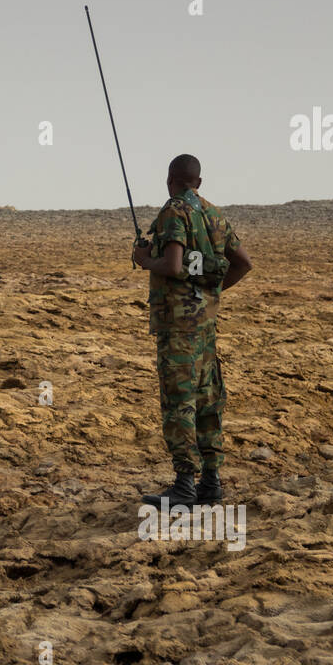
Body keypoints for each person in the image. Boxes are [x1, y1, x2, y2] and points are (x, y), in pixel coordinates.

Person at [132, 154, 252, 506]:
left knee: (179, 402)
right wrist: (210, 295)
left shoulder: (173, 211)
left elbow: (171, 264)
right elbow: (243, 263)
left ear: (170, 180)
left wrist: (144, 261)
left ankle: (184, 484)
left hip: (178, 326)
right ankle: (211, 481)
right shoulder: (213, 214)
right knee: (208, 399)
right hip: (205, 325)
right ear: (197, 183)